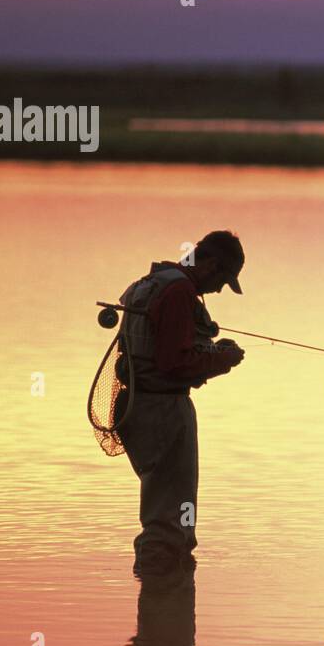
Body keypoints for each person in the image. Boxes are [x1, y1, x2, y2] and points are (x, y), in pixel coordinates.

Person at [116, 231, 246, 576]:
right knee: (169, 521)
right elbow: (175, 363)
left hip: (139, 406)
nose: (219, 289)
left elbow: (166, 350)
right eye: (222, 279)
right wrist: (224, 359)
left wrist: (213, 352)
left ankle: (160, 609)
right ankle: (162, 607)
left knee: (166, 510)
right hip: (163, 411)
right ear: (211, 264)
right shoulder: (178, 292)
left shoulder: (153, 282)